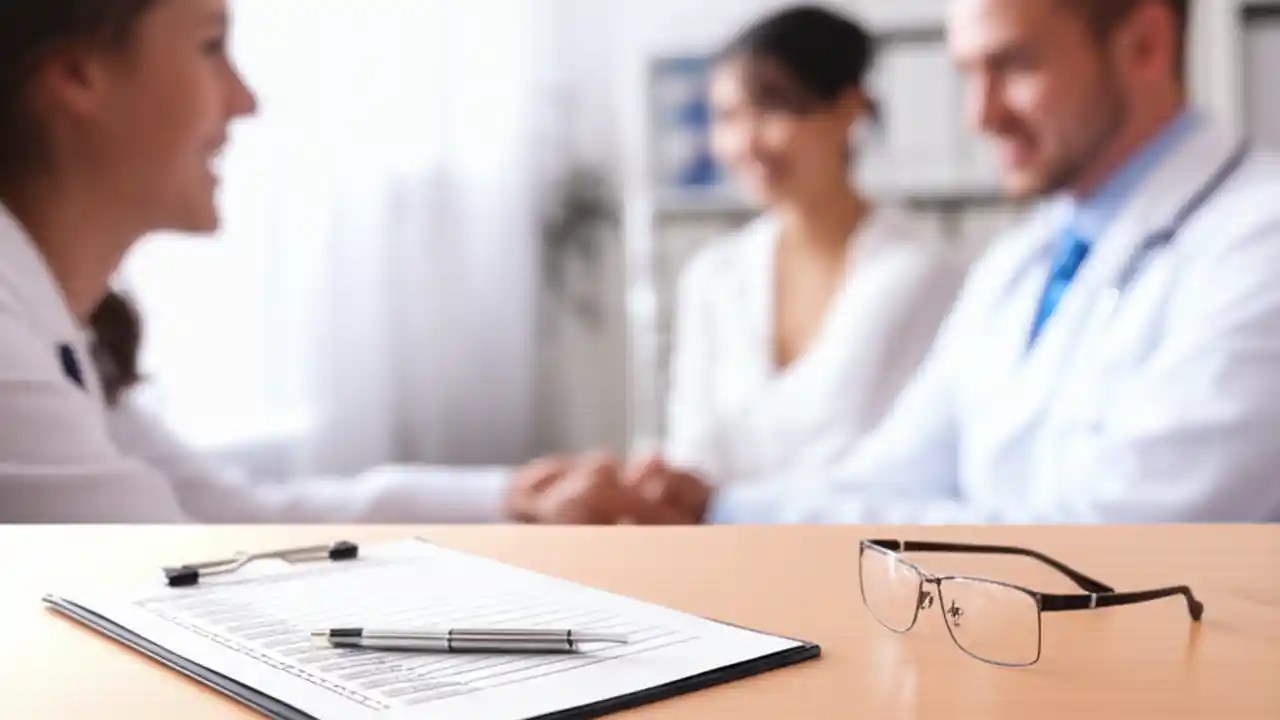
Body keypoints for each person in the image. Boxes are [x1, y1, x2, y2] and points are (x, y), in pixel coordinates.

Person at [533, 0, 1280, 524]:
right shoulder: (1022, 259)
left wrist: (727, 509)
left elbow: (1122, 539)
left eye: (1013, 65)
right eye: (968, 73)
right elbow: (897, 470)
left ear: (1145, 46)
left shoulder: (1258, 240)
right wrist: (707, 504)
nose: (979, 115)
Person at [0, 0, 517, 522]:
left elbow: (224, 514)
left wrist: (511, 500)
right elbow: (149, 565)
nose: (245, 100)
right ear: (77, 75)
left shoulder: (46, 325)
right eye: (210, 46)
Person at [508, 6, 969, 522]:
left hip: (863, 556)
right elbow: (693, 452)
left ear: (849, 108)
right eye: (727, 117)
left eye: (776, 108)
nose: (746, 142)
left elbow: (908, 473)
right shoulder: (714, 275)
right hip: (715, 551)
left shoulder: (927, 275)